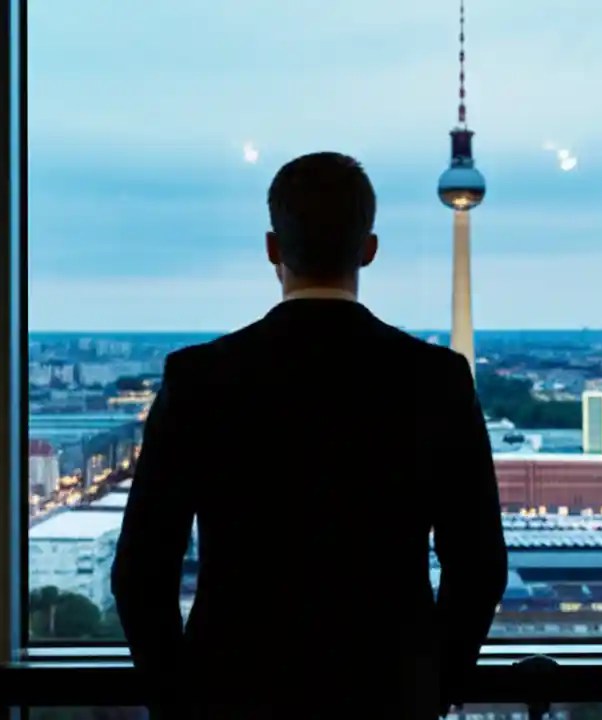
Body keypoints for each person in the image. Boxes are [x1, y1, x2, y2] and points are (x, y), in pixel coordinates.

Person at [111, 151, 508, 719]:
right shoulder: (435, 380)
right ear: (368, 249)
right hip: (387, 696)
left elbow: (141, 572)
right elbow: (479, 565)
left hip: (234, 696)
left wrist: (179, 701)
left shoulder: (200, 378)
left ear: (273, 248)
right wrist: (430, 687)